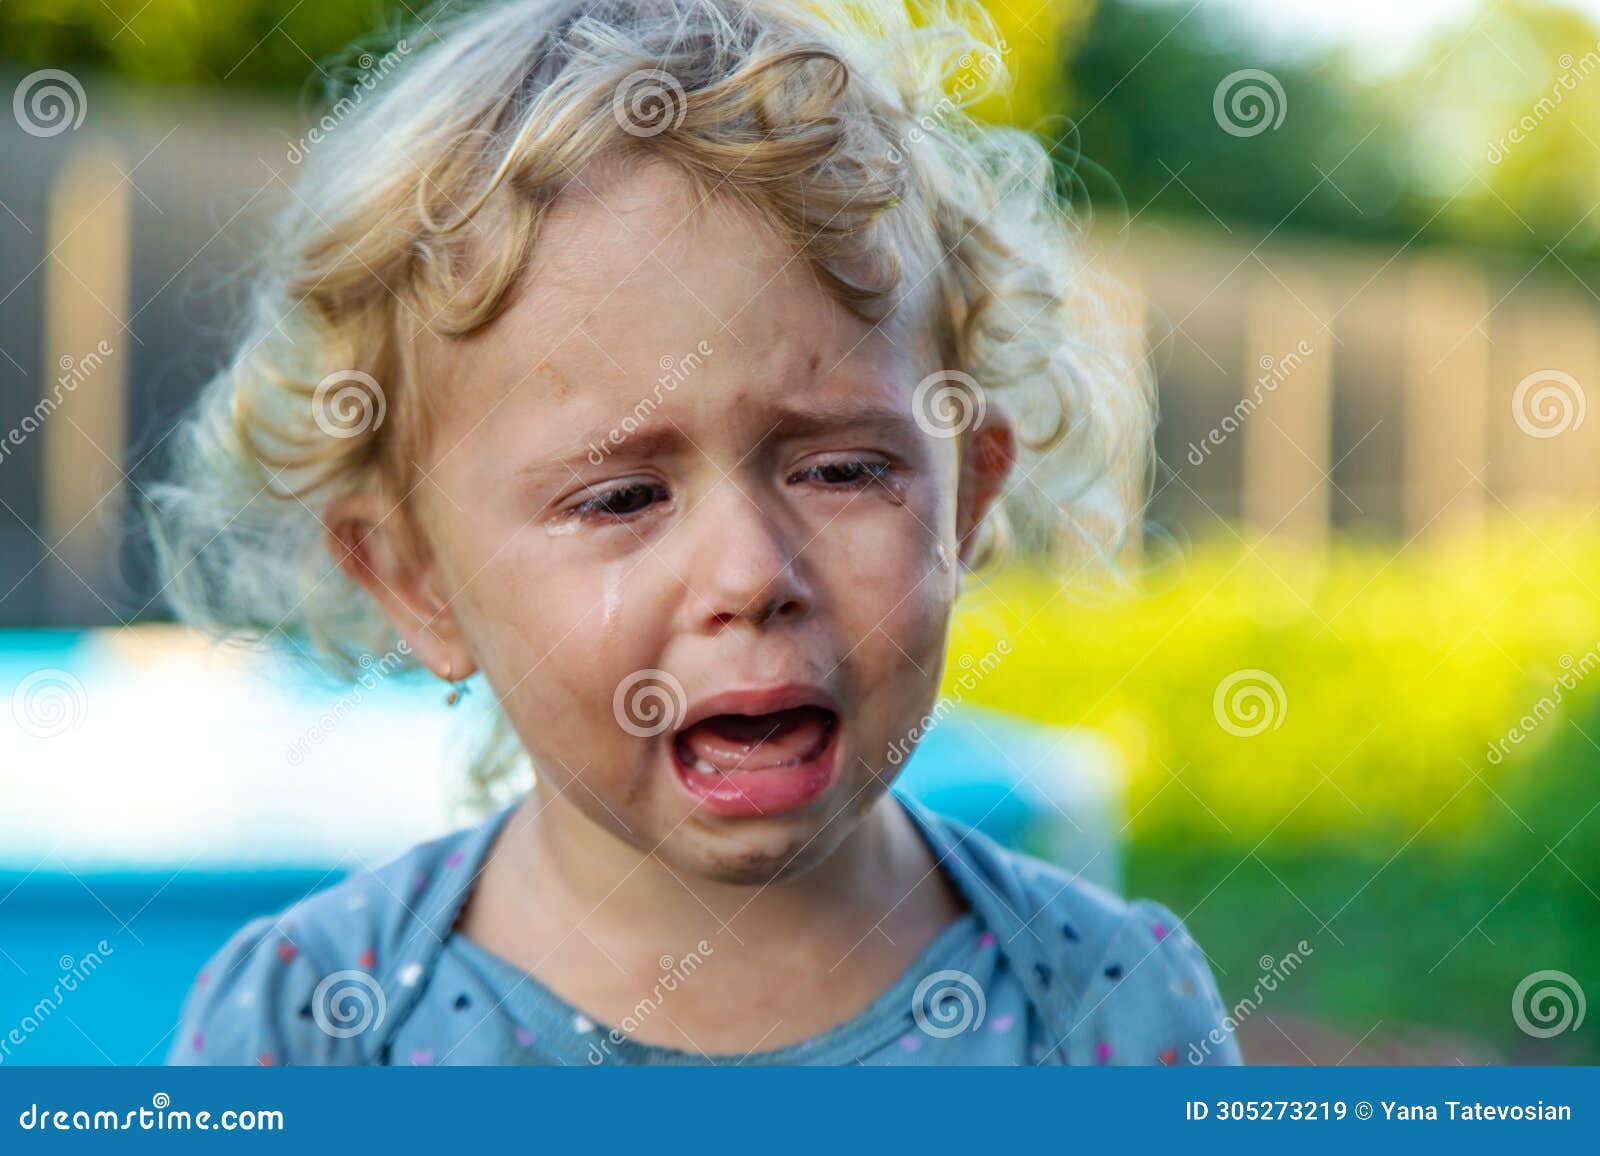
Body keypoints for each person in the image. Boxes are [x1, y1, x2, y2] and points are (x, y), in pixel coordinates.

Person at [151, 0, 1237, 1066]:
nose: (752, 573)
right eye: (621, 498)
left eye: (843, 470)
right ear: (417, 579)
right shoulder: (314, 1031)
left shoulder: (1106, 1015)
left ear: (961, 501)